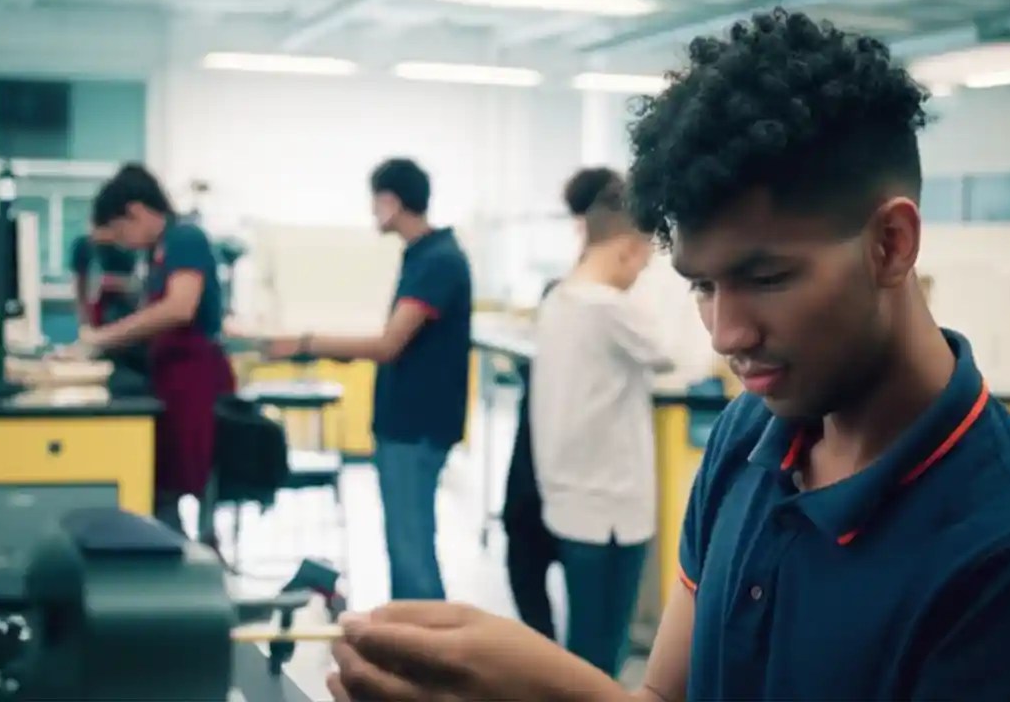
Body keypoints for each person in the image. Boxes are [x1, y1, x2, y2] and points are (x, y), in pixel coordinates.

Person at [326, 9, 1010, 702]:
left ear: (891, 243)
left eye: (765, 277)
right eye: (701, 285)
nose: (725, 333)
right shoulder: (750, 437)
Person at [266, 158, 472, 601]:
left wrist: (304, 342)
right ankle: (412, 649)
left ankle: (429, 658)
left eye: (375, 201)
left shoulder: (438, 261)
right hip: (407, 423)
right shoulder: (424, 256)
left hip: (416, 427)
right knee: (406, 545)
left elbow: (389, 345)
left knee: (411, 549)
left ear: (391, 201)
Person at [530, 168, 673, 677]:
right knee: (600, 658)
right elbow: (671, 352)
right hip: (613, 508)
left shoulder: (557, 299)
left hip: (569, 499)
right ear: (627, 249)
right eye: (645, 259)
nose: (642, 272)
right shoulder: (612, 308)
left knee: (583, 646)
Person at [77, 163, 235, 539]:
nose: (122, 241)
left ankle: (196, 563)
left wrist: (104, 337)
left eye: (120, 230)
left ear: (136, 212)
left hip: (194, 381)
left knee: (187, 479)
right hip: (170, 378)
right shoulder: (159, 252)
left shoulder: (185, 238)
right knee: (164, 483)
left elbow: (180, 307)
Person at [501, 168, 622, 640]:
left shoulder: (604, 294)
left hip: (568, 459)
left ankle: (554, 658)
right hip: (545, 451)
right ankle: (549, 656)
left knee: (535, 558)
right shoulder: (566, 292)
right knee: (526, 554)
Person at [69, 223, 148, 379]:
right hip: (99, 324)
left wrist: (124, 284)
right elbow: (81, 290)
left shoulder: (134, 246)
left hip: (129, 328)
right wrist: (85, 327)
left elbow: (144, 288)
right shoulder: (85, 247)